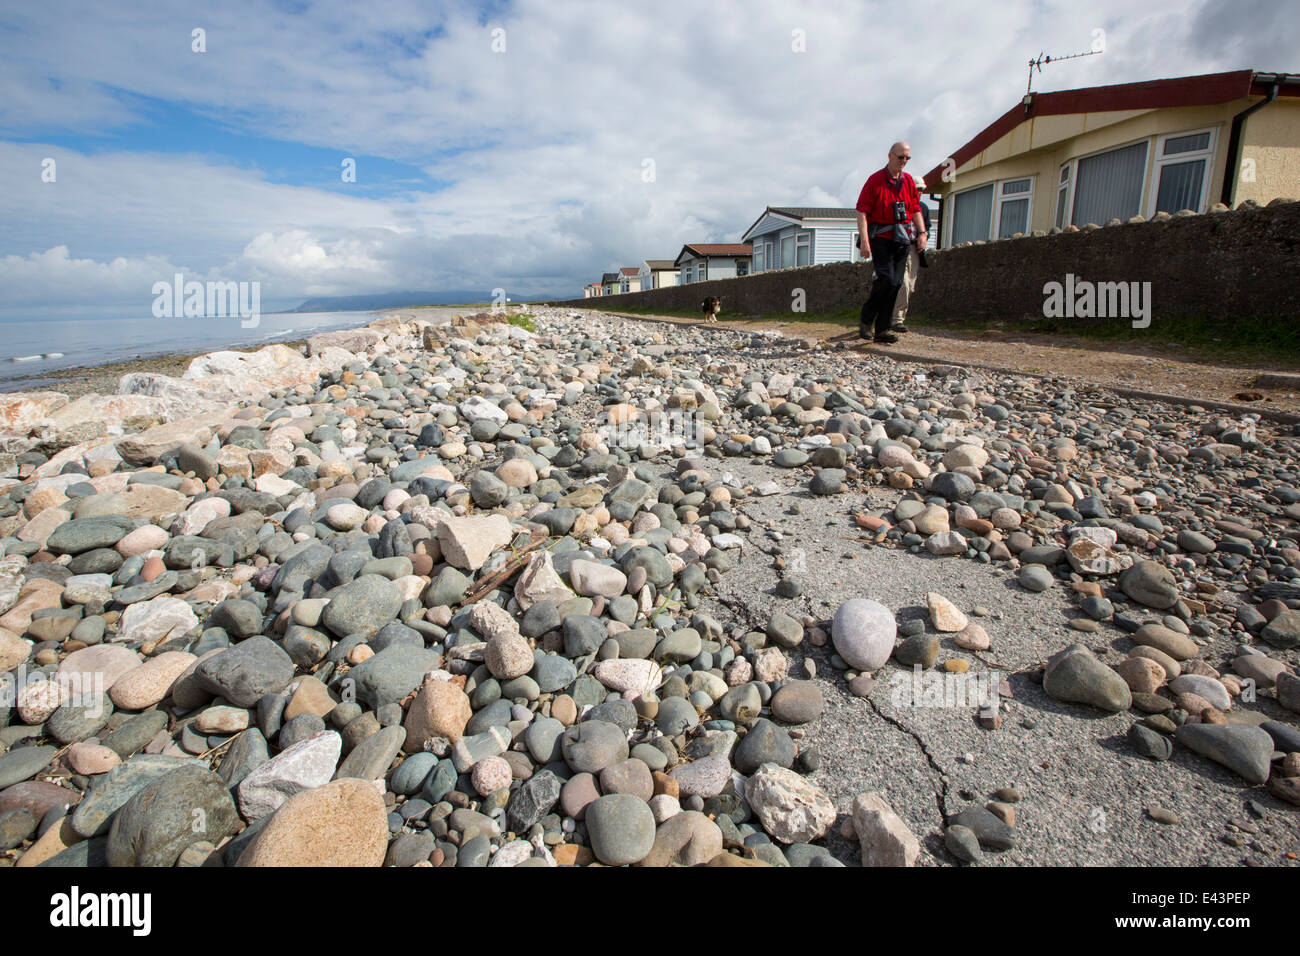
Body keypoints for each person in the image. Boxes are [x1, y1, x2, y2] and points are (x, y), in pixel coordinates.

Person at [855, 142, 928, 343]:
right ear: (890, 156)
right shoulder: (875, 180)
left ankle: (882, 330)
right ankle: (866, 319)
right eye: (900, 157)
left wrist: (922, 233)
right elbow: (862, 212)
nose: (903, 161)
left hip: (902, 239)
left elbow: (915, 209)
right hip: (881, 239)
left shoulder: (908, 182)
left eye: (907, 158)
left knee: (896, 283)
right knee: (885, 279)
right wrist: (865, 242)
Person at [891, 180, 930, 333]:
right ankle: (897, 320)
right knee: (903, 283)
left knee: (910, 286)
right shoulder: (899, 204)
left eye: (922, 190)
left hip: (914, 250)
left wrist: (923, 237)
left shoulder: (924, 208)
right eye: (917, 189)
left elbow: (927, 228)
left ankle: (897, 316)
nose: (920, 192)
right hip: (899, 248)